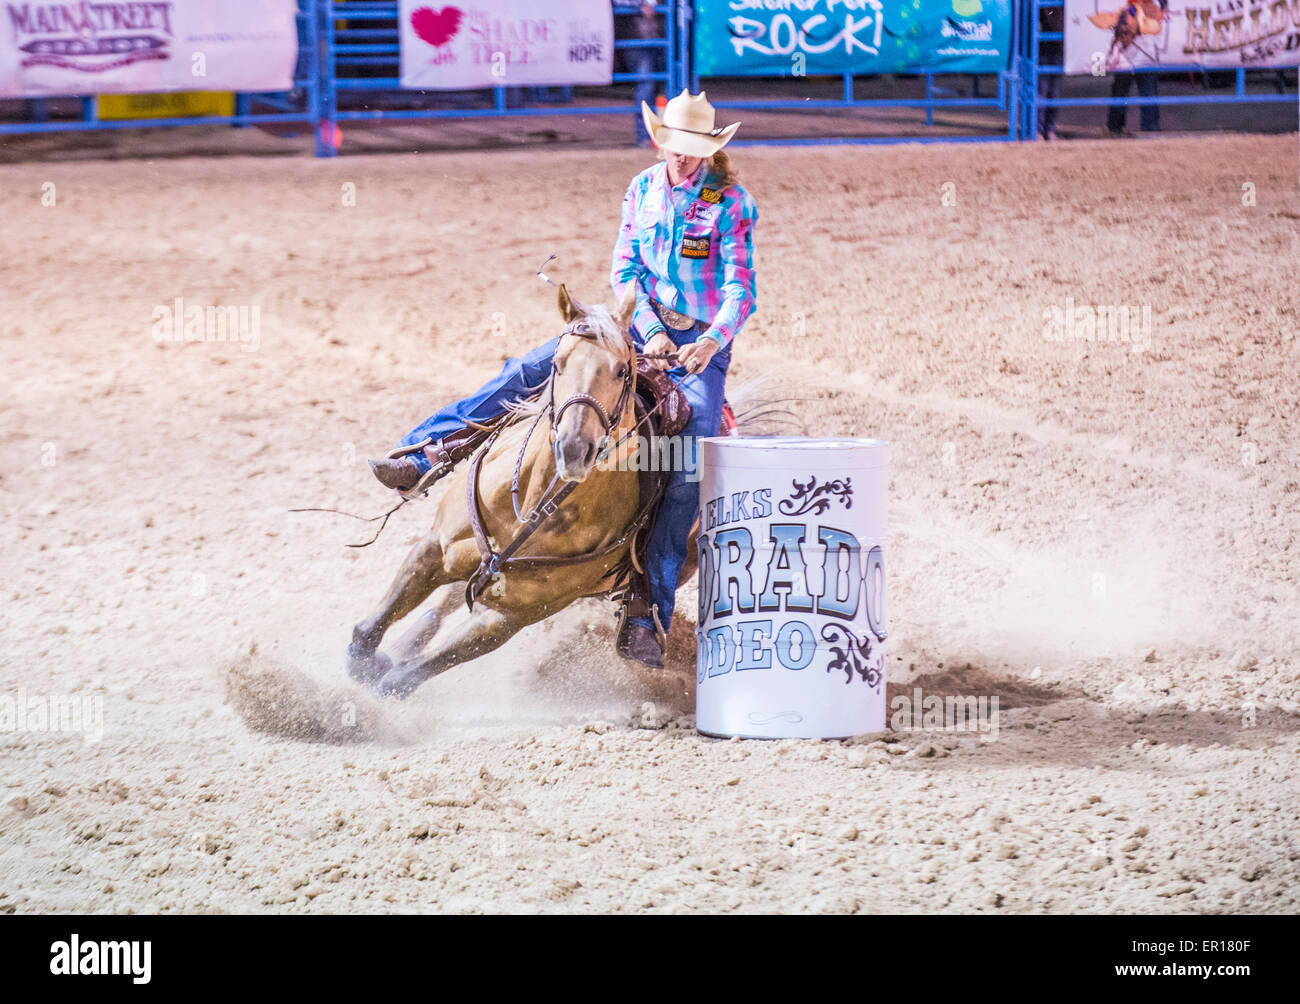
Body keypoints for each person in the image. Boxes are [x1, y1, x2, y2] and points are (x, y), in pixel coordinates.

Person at [367, 90, 758, 669]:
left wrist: (706, 341)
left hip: (700, 346)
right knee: (525, 371)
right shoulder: (642, 189)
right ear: (662, 142)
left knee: (685, 466)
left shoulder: (731, 203)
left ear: (707, 151)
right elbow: (625, 268)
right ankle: (430, 452)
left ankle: (646, 609)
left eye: (691, 149)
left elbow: (740, 287)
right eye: (673, 146)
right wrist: (645, 329)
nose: (679, 157)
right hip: (633, 326)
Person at [1106, 1, 1166, 136]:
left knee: (1143, 90)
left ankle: (1148, 128)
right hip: (1131, 52)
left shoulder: (1150, 6)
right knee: (1124, 90)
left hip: (1144, 50)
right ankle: (1116, 128)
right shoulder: (1125, 7)